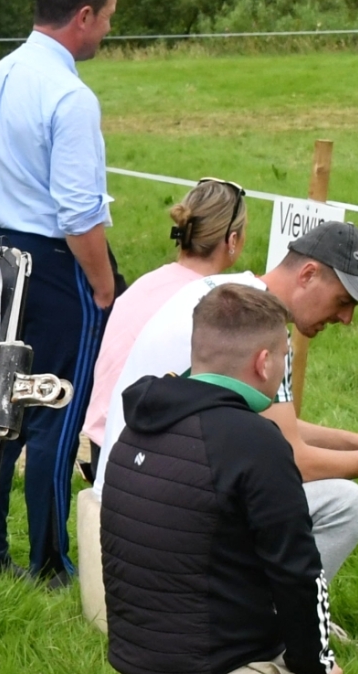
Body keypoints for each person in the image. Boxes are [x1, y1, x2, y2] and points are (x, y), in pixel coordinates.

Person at [102, 284, 358, 674]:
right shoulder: (253, 442)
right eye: (283, 357)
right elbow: (298, 571)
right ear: (263, 363)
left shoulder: (140, 420)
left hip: (137, 670)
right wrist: (314, 664)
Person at [95, 221, 358, 590]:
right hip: (160, 517)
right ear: (308, 274)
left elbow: (271, 425)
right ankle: (284, 626)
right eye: (344, 300)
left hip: (129, 491)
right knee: (345, 503)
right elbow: (295, 462)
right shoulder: (262, 327)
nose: (347, 318)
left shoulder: (226, 297)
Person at [0, 0, 121, 587]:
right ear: (83, 17)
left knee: (2, 406)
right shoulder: (69, 95)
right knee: (59, 410)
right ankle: (51, 561)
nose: (108, 31)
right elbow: (79, 211)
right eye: (107, 18)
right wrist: (104, 285)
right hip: (57, 261)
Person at [83, 177, 248, 465]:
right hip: (140, 455)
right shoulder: (214, 304)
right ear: (232, 240)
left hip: (102, 441)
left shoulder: (145, 284)